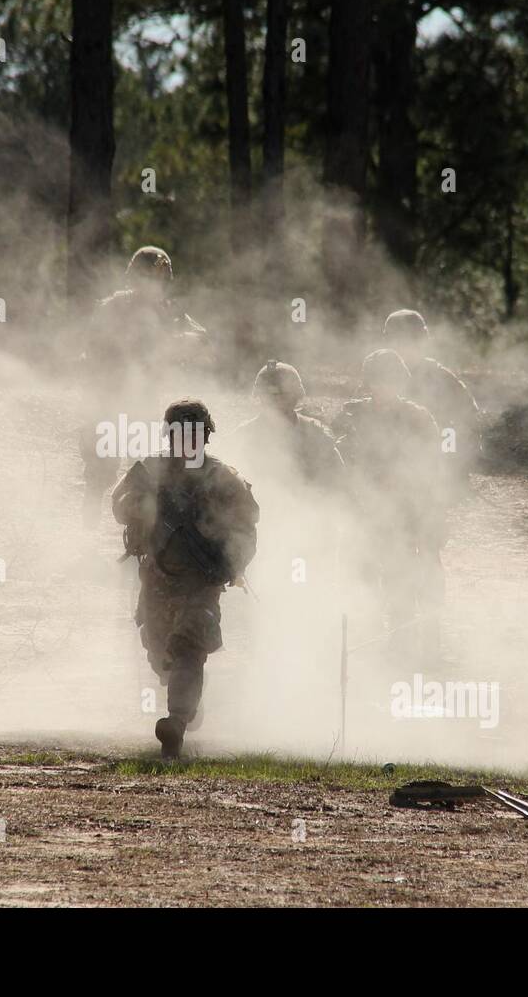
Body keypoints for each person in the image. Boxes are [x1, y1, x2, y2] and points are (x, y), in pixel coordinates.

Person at [111, 398, 259, 759]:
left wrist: (230, 564)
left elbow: (246, 526)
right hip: (156, 579)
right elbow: (119, 506)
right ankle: (186, 702)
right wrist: (149, 505)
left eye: (195, 432)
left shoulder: (223, 477)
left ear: (205, 436)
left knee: (188, 647)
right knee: (159, 650)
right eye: (180, 433)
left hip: (199, 583)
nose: (187, 440)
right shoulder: (149, 470)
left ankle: (175, 722)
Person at [77, 247, 210, 528]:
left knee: (145, 477)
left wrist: (183, 338)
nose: (154, 286)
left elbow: (201, 336)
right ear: (134, 280)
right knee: (99, 477)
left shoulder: (167, 311)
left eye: (159, 280)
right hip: (109, 403)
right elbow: (99, 349)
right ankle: (86, 540)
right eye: (148, 279)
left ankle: (140, 546)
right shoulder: (114, 308)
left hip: (145, 404)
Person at [334, 349, 444, 657]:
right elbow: (337, 463)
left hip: (406, 513)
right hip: (363, 512)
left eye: (391, 380)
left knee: (403, 583)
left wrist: (429, 518)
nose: (384, 387)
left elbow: (433, 468)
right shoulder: (351, 416)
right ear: (368, 383)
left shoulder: (418, 418)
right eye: (378, 381)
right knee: (362, 581)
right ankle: (366, 648)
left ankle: (404, 648)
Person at [379, 309, 481, 472]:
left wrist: (449, 457)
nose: (402, 347)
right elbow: (359, 415)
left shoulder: (440, 378)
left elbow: (467, 419)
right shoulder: (379, 375)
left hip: (435, 458)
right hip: (388, 460)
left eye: (409, 341)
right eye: (397, 341)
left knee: (450, 427)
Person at [225, 360, 344, 489]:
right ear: (260, 397)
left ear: (295, 396)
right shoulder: (243, 437)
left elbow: (340, 482)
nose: (275, 401)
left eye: (281, 396)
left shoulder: (315, 434)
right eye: (269, 396)